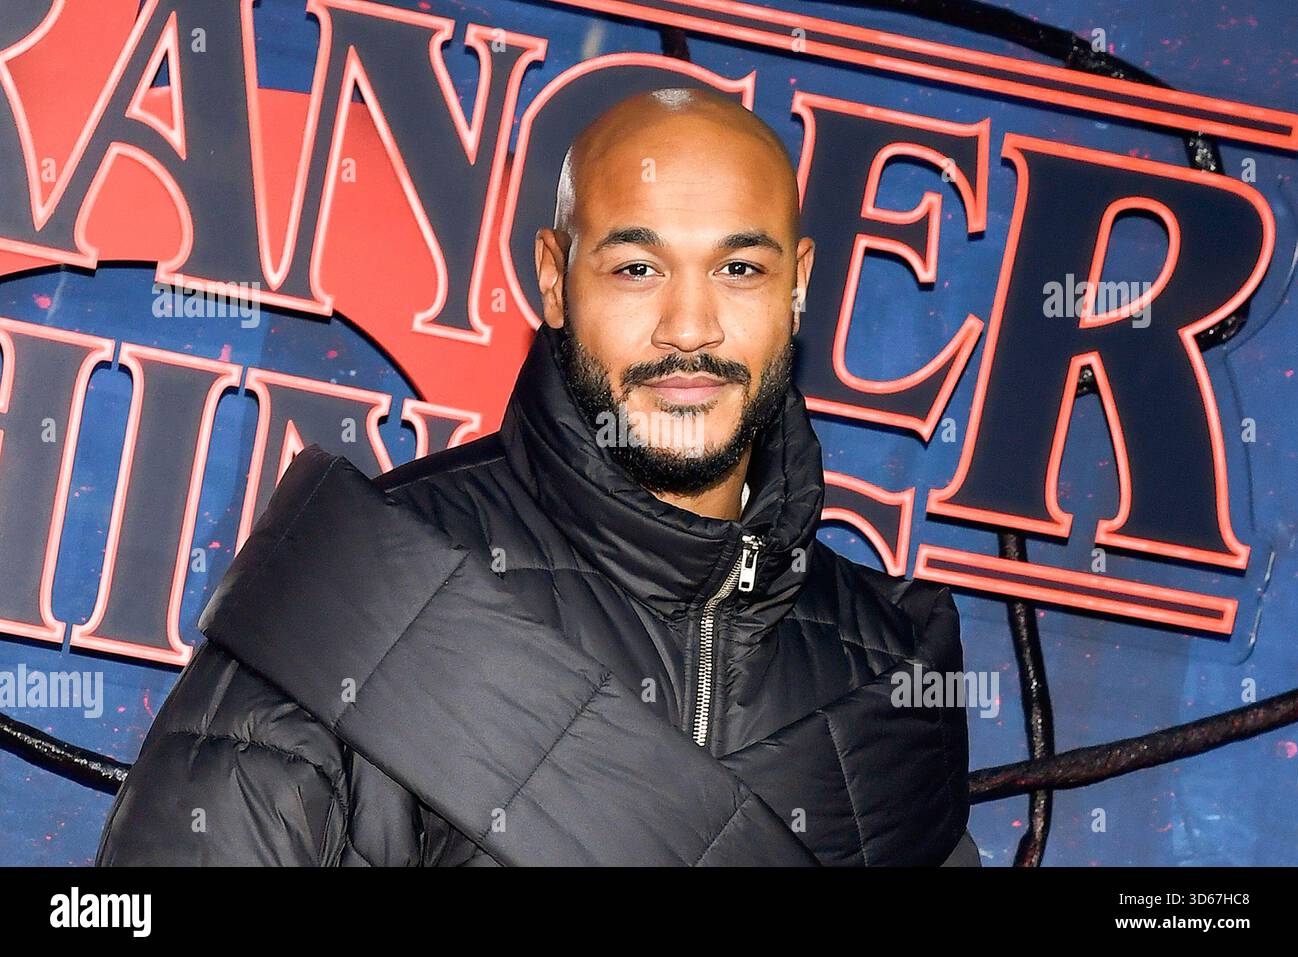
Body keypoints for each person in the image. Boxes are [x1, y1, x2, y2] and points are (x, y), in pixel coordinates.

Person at [97, 86, 980, 866]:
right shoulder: (354, 591)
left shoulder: (885, 665)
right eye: (637, 267)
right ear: (555, 282)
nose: (689, 325)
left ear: (798, 288)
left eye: (740, 268)